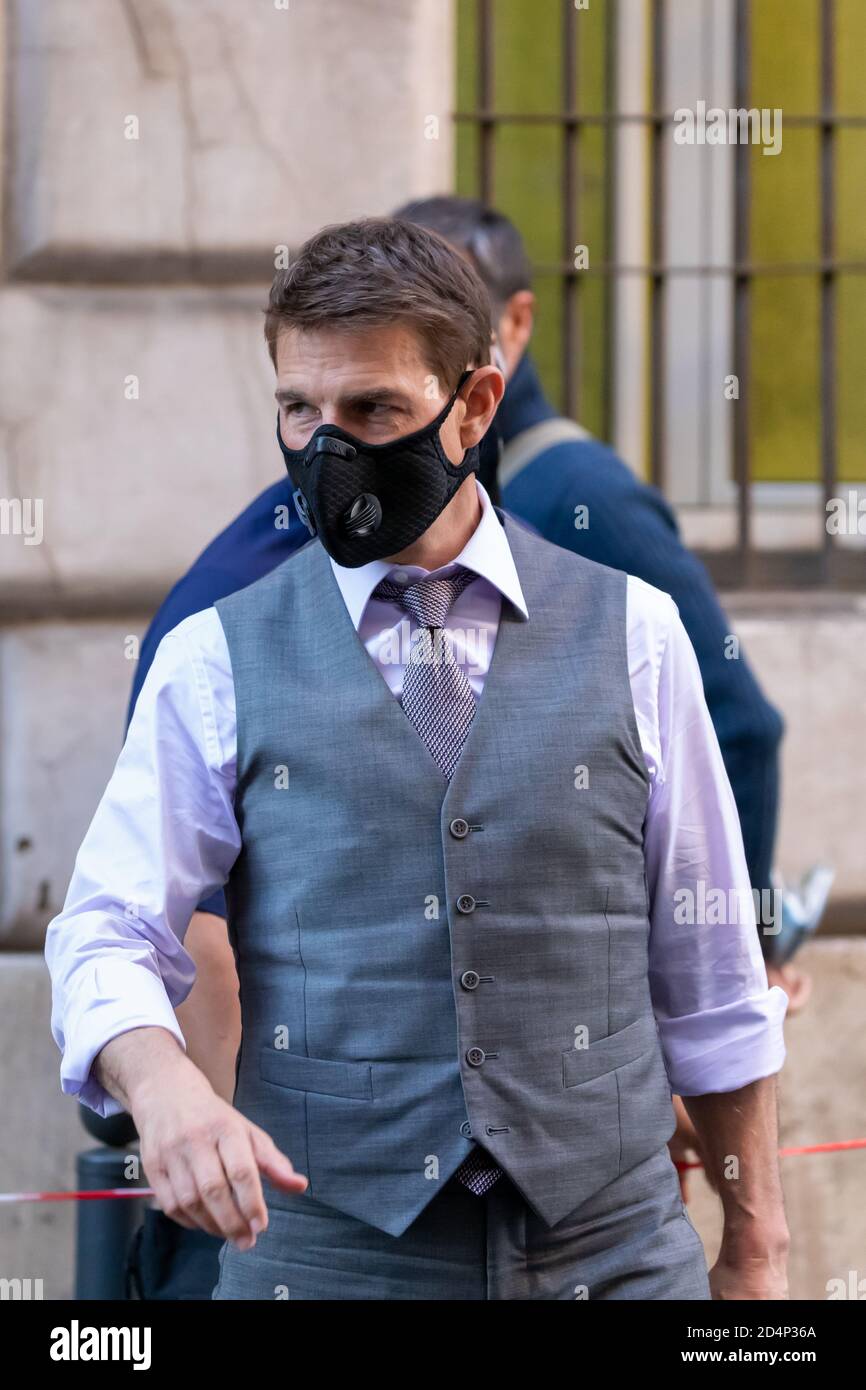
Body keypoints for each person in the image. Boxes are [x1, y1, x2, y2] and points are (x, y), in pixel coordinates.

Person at [46, 217, 789, 1300]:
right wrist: (162, 1086)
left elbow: (711, 981)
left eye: (371, 409)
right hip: (326, 1263)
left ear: (473, 405)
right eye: (298, 410)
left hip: (614, 1259)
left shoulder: (634, 633)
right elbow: (105, 927)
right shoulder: (217, 654)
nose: (326, 446)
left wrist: (755, 1248)